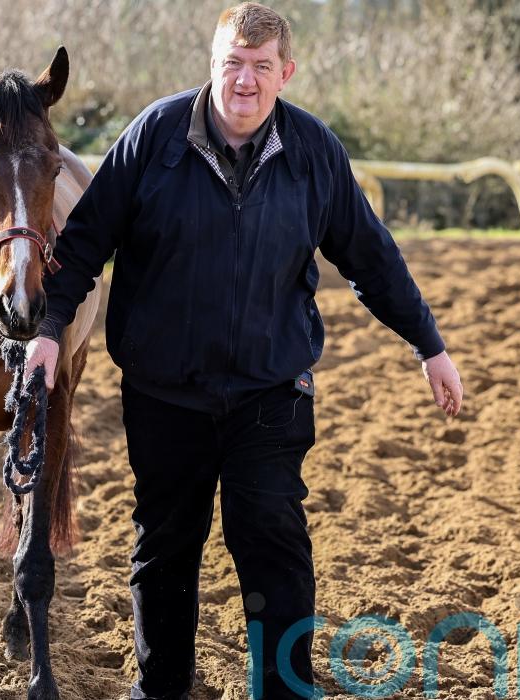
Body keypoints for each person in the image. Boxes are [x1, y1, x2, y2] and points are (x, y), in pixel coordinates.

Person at [24, 3, 464, 698]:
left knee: (273, 542)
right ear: (213, 63)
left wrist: (429, 345)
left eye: (262, 67)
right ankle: (161, 689)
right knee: (165, 550)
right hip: (165, 394)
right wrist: (49, 332)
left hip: (270, 392)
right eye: (234, 63)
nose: (246, 81)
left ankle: (283, 692)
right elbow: (84, 245)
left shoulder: (315, 152)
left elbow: (371, 259)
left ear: (285, 73)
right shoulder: (154, 137)